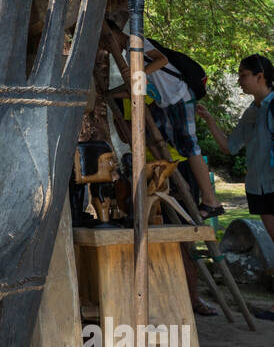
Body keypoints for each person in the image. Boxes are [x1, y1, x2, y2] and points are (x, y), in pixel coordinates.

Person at [105, 14, 224, 218]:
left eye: (105, 42)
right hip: (164, 104)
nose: (106, 48)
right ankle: (180, 183)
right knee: (154, 137)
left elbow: (162, 60)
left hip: (179, 97)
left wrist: (139, 72)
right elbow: (139, 89)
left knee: (190, 146)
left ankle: (211, 200)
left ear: (114, 33)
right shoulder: (128, 55)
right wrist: (109, 94)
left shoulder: (136, 42)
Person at [197, 55, 274, 247]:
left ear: (260, 76)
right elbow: (229, 147)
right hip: (260, 188)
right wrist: (210, 120)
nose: (239, 80)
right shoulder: (252, 111)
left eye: (243, 75)